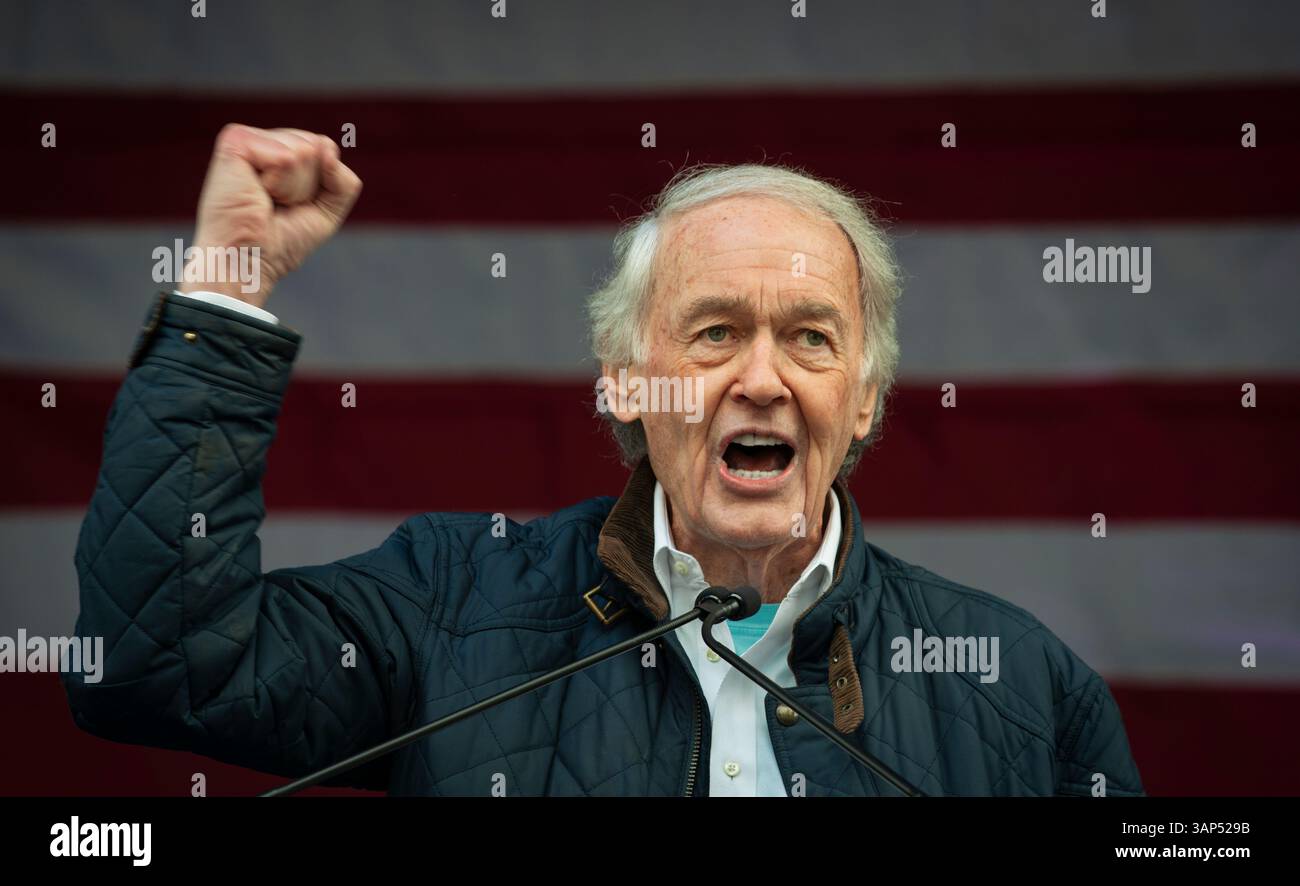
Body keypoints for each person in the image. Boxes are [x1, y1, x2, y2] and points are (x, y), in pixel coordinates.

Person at [65, 124, 1144, 796]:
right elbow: (155, 668)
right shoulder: (450, 601)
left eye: (811, 337)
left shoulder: (1022, 685)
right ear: (623, 381)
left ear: (862, 399)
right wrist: (226, 289)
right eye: (713, 331)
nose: (762, 378)